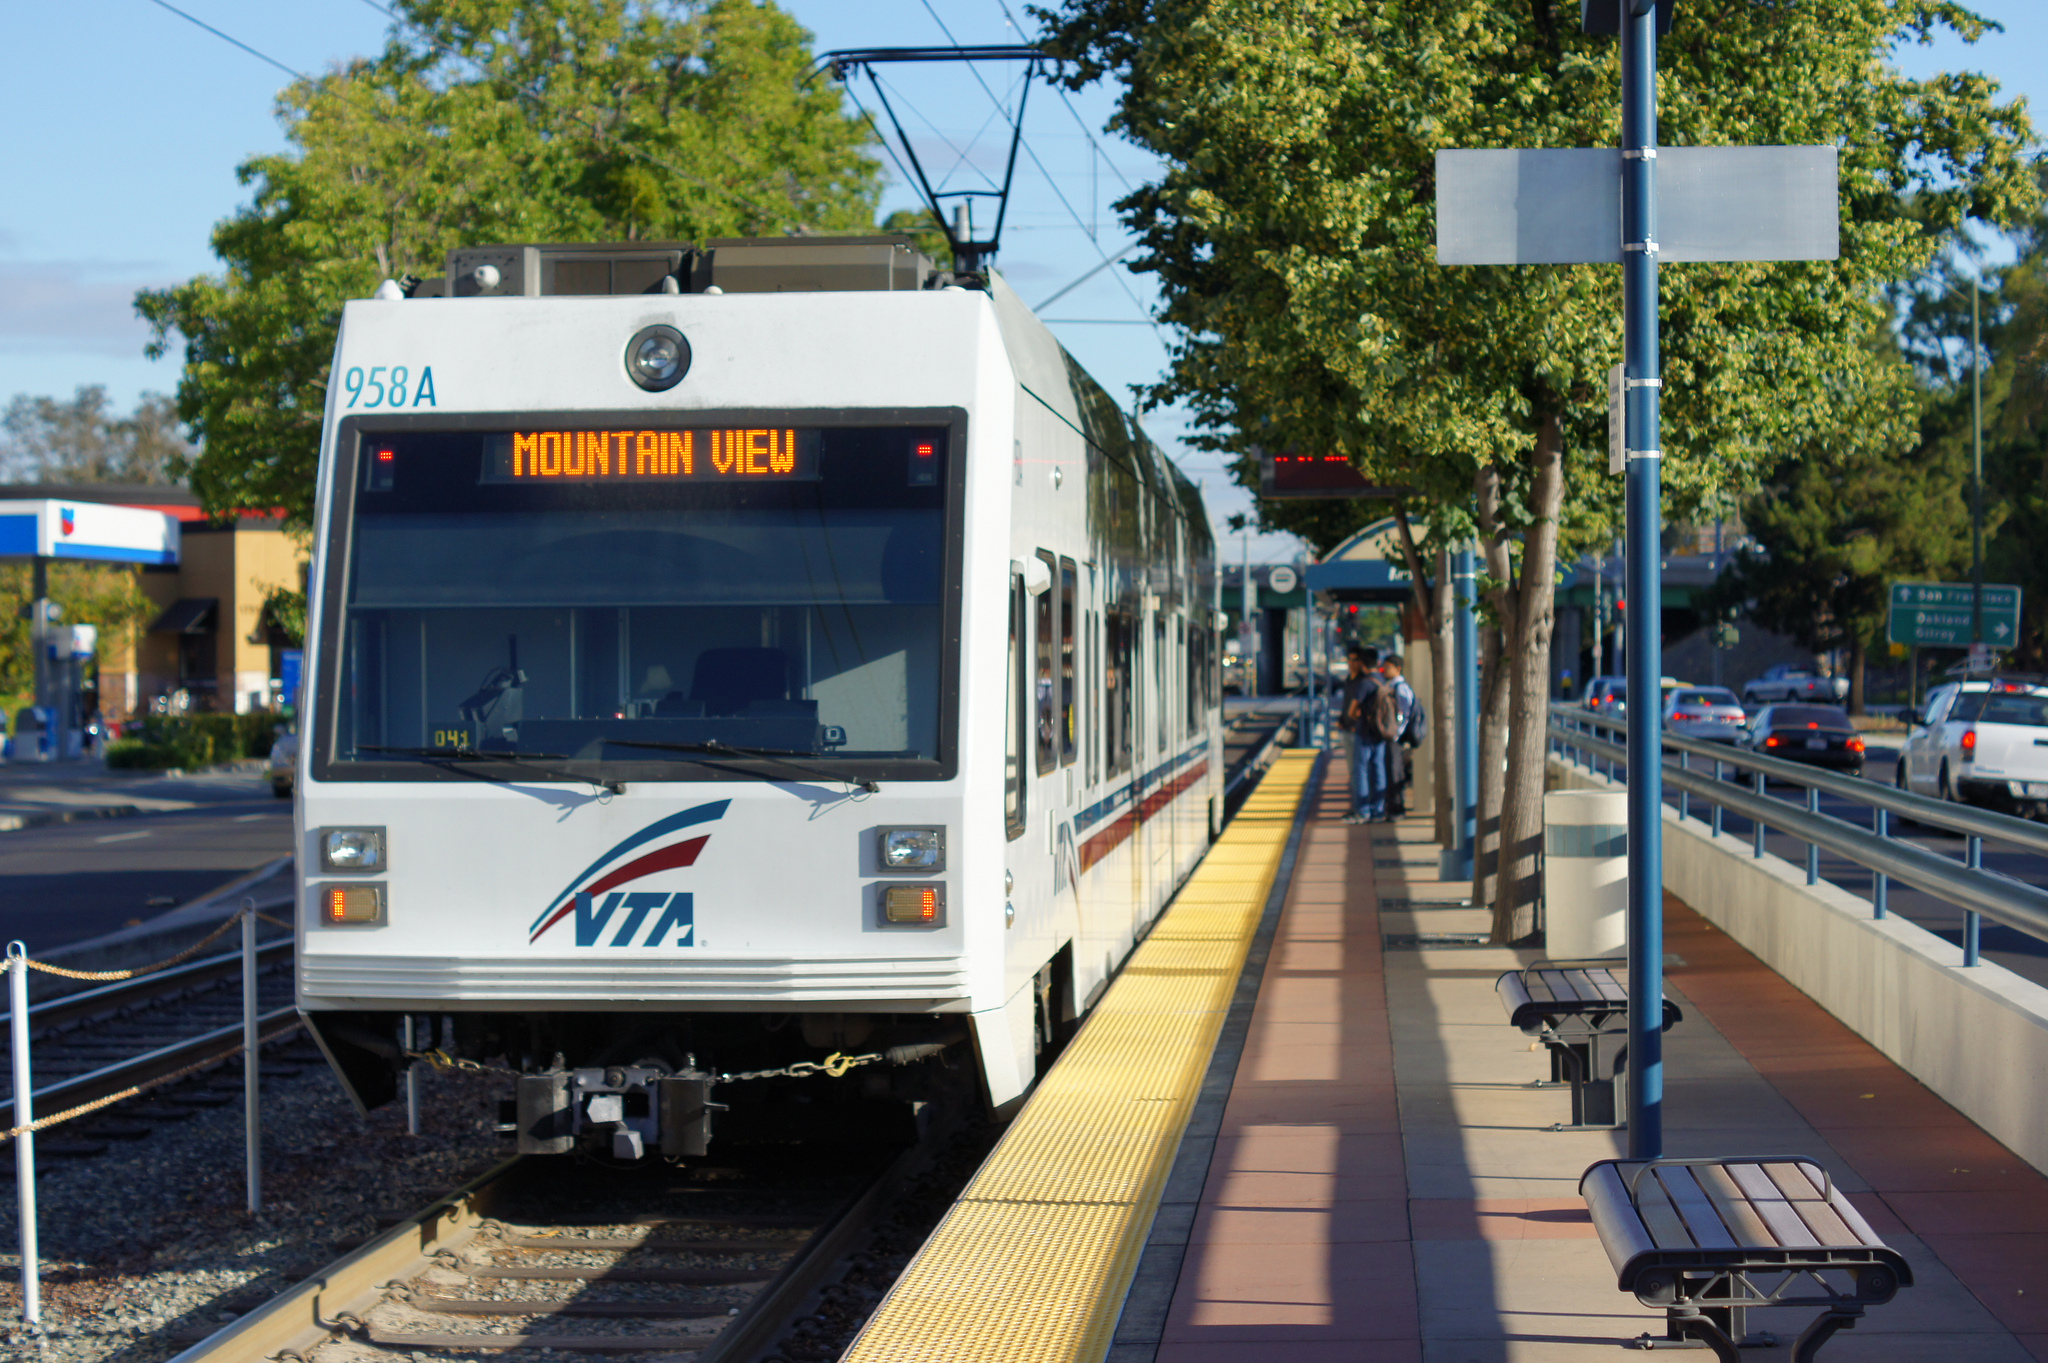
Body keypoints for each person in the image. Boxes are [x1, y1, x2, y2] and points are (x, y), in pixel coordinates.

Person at [1342, 646, 1389, 824]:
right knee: (1378, 770)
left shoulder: (1364, 683)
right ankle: (1378, 810)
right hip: (1380, 732)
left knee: (1360, 771)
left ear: (1362, 663)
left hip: (1364, 733)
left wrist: (1356, 717)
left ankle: (1362, 811)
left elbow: (1351, 711)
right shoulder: (1382, 680)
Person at [1380, 654, 1421, 817]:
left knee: (1395, 771)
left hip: (1396, 738)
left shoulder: (1400, 688)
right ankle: (1393, 807)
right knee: (1392, 771)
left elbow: (1404, 713)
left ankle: (1397, 808)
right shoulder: (1393, 686)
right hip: (1395, 736)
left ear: (1397, 668)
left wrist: (1396, 732)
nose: (1384, 670)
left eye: (1387, 667)